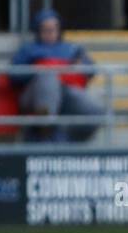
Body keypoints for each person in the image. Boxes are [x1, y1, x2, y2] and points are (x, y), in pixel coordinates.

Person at [10, 9, 104, 143]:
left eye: (53, 29)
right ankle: (45, 126)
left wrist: (77, 66)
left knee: (94, 112)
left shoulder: (72, 48)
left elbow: (90, 69)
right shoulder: (29, 49)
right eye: (46, 29)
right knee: (48, 76)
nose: (50, 33)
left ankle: (66, 142)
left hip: (65, 91)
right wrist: (37, 69)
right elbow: (13, 76)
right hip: (34, 93)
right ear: (38, 30)